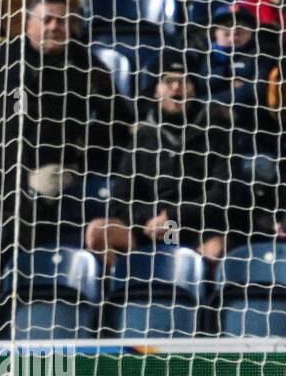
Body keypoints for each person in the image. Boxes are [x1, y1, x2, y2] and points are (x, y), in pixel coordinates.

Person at [0, 0, 136, 251]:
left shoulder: (85, 63)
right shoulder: (6, 60)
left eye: (61, 21)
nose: (54, 27)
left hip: (55, 167)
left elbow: (119, 117)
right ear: (28, 24)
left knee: (33, 198)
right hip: (3, 164)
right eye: (46, 20)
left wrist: (89, 155)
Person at [84, 59, 212, 274]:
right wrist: (154, 219)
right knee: (98, 231)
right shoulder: (143, 137)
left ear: (194, 90)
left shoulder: (213, 132)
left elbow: (223, 195)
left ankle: (198, 299)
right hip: (149, 229)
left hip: (197, 227)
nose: (176, 87)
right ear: (155, 91)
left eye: (183, 81)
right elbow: (119, 203)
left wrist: (172, 216)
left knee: (215, 251)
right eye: (168, 81)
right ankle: (126, 285)